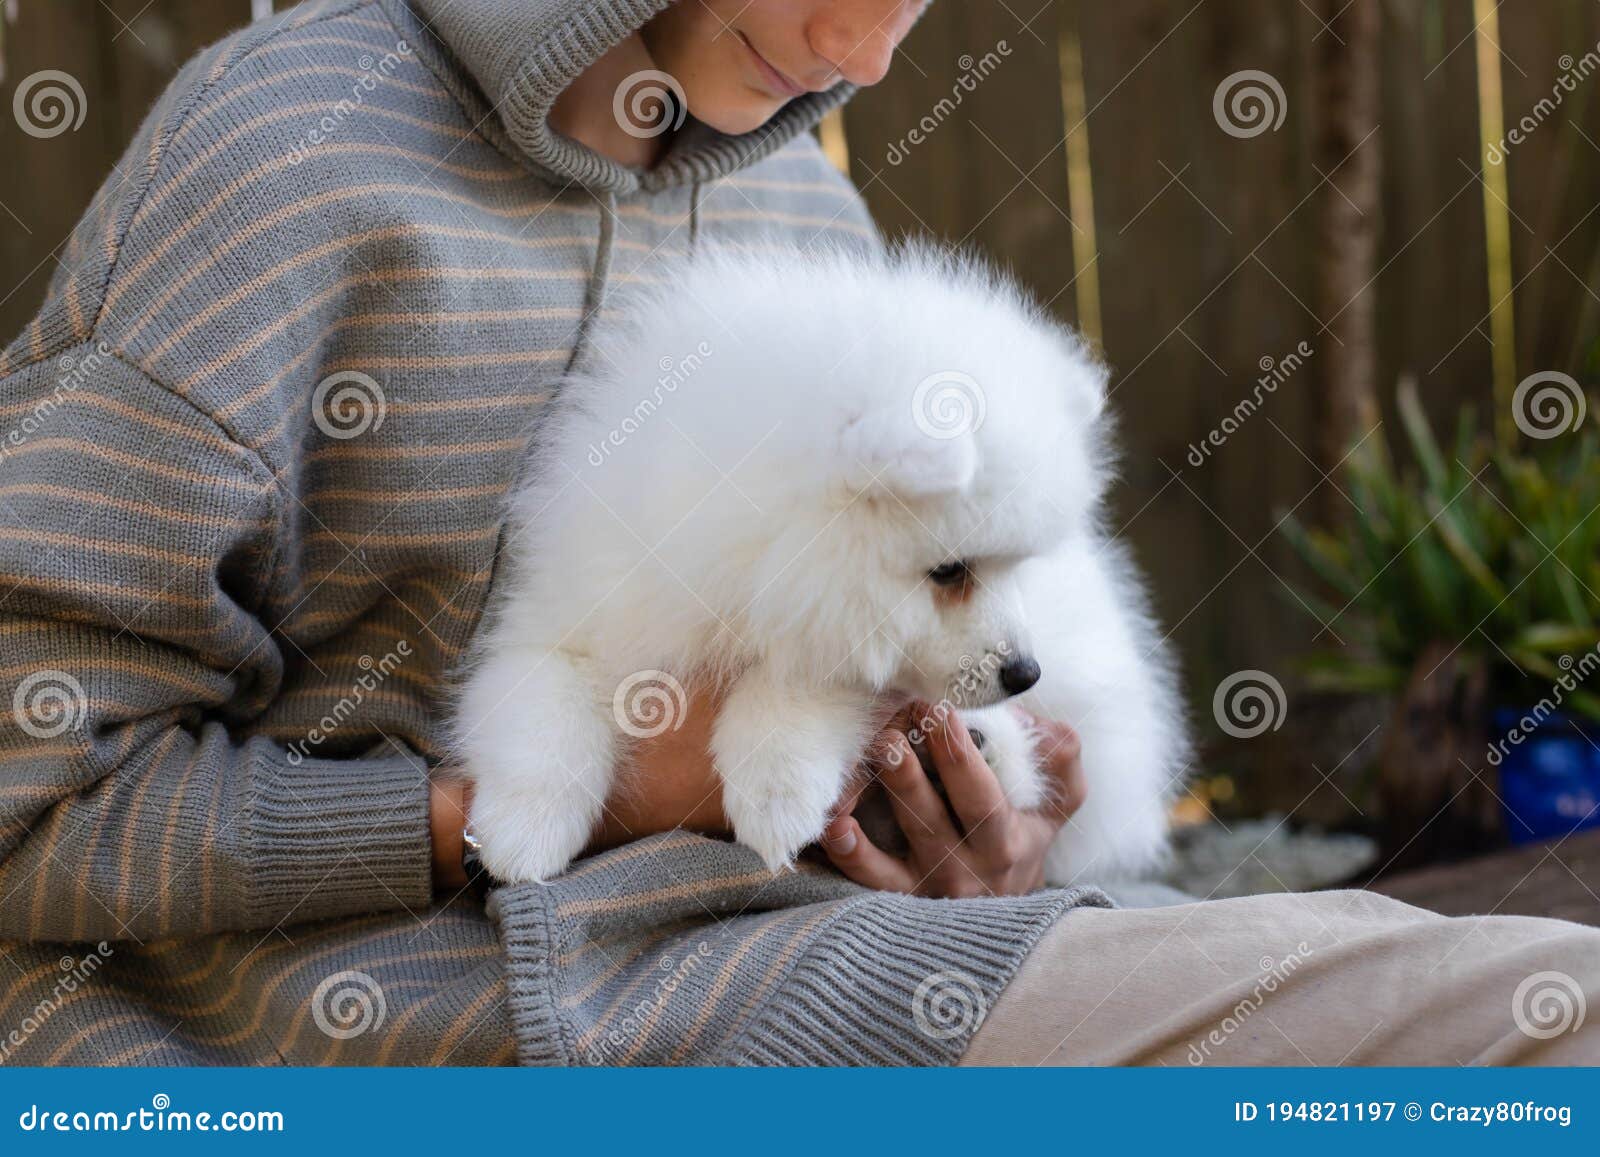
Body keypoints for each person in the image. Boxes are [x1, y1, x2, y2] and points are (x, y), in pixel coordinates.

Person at [0, 0, 1594, 1067]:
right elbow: (29, 797)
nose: (867, 48)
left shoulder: (798, 216)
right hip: (390, 1028)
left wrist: (983, 854)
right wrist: (559, 793)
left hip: (826, 958)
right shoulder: (284, 159)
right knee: (1522, 1025)